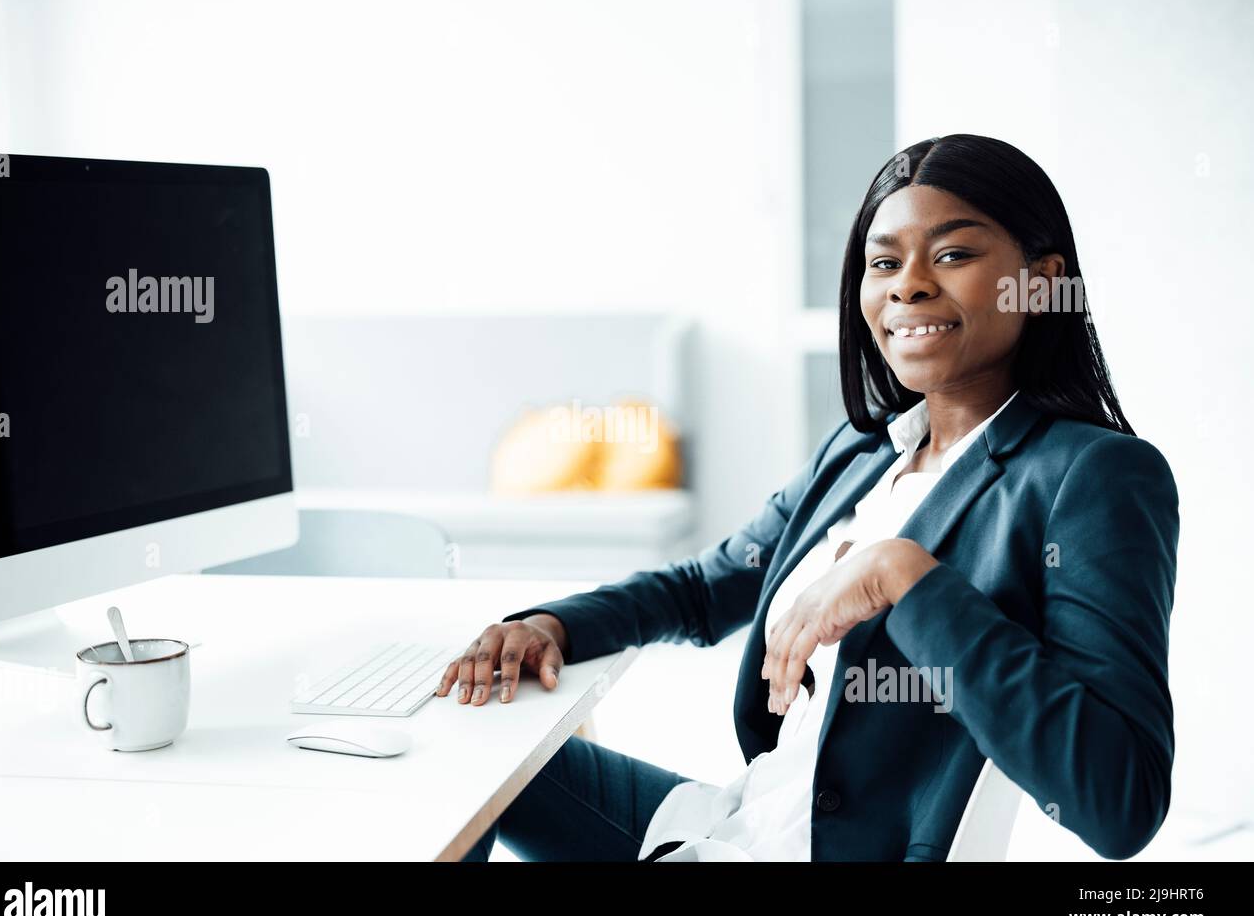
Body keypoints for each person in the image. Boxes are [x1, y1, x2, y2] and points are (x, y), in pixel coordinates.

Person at [439, 134, 1180, 862]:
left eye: (952, 254)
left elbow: (1120, 802)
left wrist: (903, 575)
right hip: (732, 825)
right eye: (884, 261)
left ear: (1043, 278)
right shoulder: (863, 451)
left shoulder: (1095, 476)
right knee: (470, 756)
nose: (909, 284)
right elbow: (705, 588)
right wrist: (549, 627)